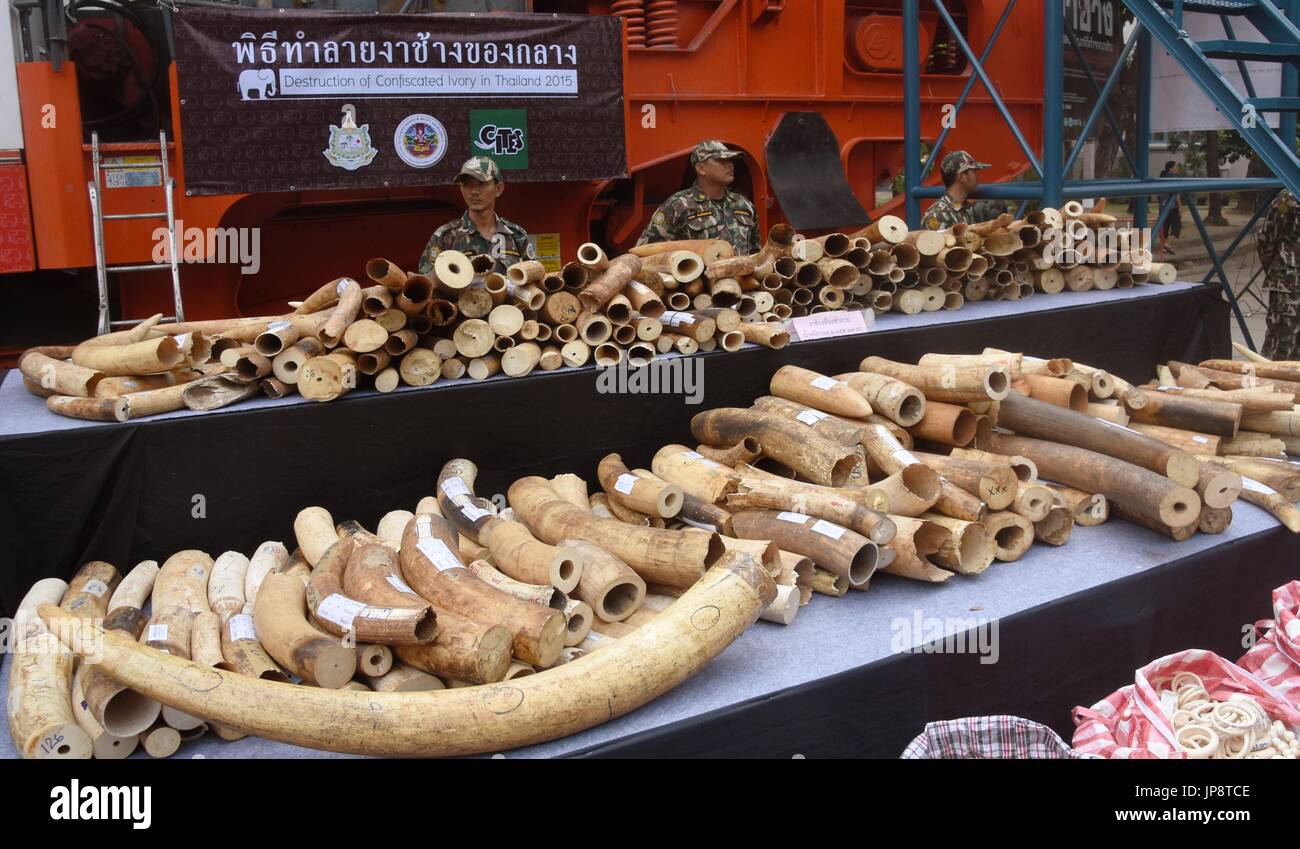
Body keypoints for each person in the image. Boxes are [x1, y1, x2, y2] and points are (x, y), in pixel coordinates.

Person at [637, 140, 760, 254]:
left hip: (741, 277)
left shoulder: (743, 204)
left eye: (730, 160)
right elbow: (646, 249)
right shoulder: (679, 205)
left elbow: (756, 252)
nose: (730, 165)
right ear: (701, 169)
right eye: (721, 160)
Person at [418, 156, 535, 275]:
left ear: (498, 189)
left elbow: (533, 279)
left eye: (482, 184)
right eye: (467, 184)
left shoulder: (516, 236)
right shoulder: (445, 237)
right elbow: (427, 285)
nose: (474, 191)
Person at [1257, 189, 1300, 361]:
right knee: (1282, 343)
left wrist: (1277, 269)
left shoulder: (1289, 195)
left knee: (1281, 345)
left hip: (1288, 280)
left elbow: (1267, 239)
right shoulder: (1288, 197)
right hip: (1289, 282)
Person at [921, 150, 991, 230]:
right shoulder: (937, 215)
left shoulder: (965, 209)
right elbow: (931, 242)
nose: (977, 176)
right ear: (962, 177)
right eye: (974, 172)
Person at [1158, 160, 1182, 254]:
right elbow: (1177, 194)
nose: (1178, 168)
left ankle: (1163, 247)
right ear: (1170, 168)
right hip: (1172, 206)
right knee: (1177, 225)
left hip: (1163, 206)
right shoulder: (1175, 178)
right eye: (1176, 167)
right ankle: (1167, 245)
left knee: (1165, 226)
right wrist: (1180, 206)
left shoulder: (1162, 177)